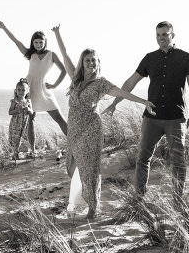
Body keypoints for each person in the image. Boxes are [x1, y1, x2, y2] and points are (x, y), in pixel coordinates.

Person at [51, 24, 155, 219]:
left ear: (98, 62)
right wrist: (57, 34)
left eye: (94, 60)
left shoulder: (101, 83)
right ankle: (82, 202)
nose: (91, 63)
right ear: (82, 63)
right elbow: (64, 55)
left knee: (89, 169)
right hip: (74, 130)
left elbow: (122, 92)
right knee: (72, 168)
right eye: (87, 60)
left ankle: (92, 209)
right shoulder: (76, 80)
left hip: (91, 129)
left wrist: (143, 101)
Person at [103, 21, 189, 200]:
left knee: (178, 160)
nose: (161, 38)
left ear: (173, 35)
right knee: (142, 158)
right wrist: (115, 103)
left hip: (175, 119)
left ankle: (178, 199)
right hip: (151, 118)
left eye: (165, 34)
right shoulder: (150, 58)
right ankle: (139, 197)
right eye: (158, 35)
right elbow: (130, 82)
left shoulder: (185, 57)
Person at [0, 20, 68, 137]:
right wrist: (4, 27)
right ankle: (31, 146)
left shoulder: (51, 55)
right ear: (33, 43)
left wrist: (55, 85)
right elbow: (16, 42)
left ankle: (74, 142)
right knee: (30, 120)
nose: (38, 44)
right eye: (36, 42)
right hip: (28, 90)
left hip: (43, 91)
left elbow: (64, 70)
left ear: (45, 42)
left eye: (41, 42)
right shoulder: (31, 54)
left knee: (59, 119)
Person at [8, 79, 35, 160]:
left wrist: (28, 109)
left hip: (25, 123)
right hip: (16, 124)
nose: (21, 92)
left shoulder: (28, 101)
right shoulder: (14, 101)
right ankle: (15, 154)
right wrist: (17, 110)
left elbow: (32, 112)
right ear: (16, 91)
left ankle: (29, 152)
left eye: (23, 90)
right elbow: (10, 112)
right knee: (16, 138)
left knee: (24, 138)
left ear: (27, 91)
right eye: (19, 90)